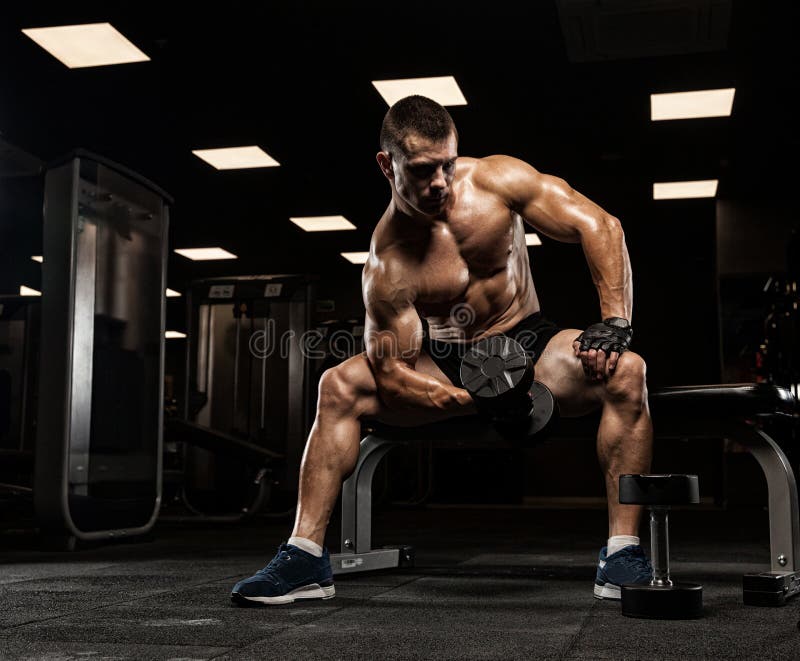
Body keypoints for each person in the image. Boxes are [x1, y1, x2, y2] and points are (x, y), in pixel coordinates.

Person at [231, 95, 653, 606]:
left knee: (627, 370)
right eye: (423, 170)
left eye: (448, 165)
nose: (440, 183)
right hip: (450, 360)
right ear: (387, 165)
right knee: (340, 384)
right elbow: (391, 374)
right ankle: (304, 557)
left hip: (530, 341)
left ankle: (623, 551)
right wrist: (476, 399)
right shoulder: (388, 264)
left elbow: (600, 225)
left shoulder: (498, 180)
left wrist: (614, 321)